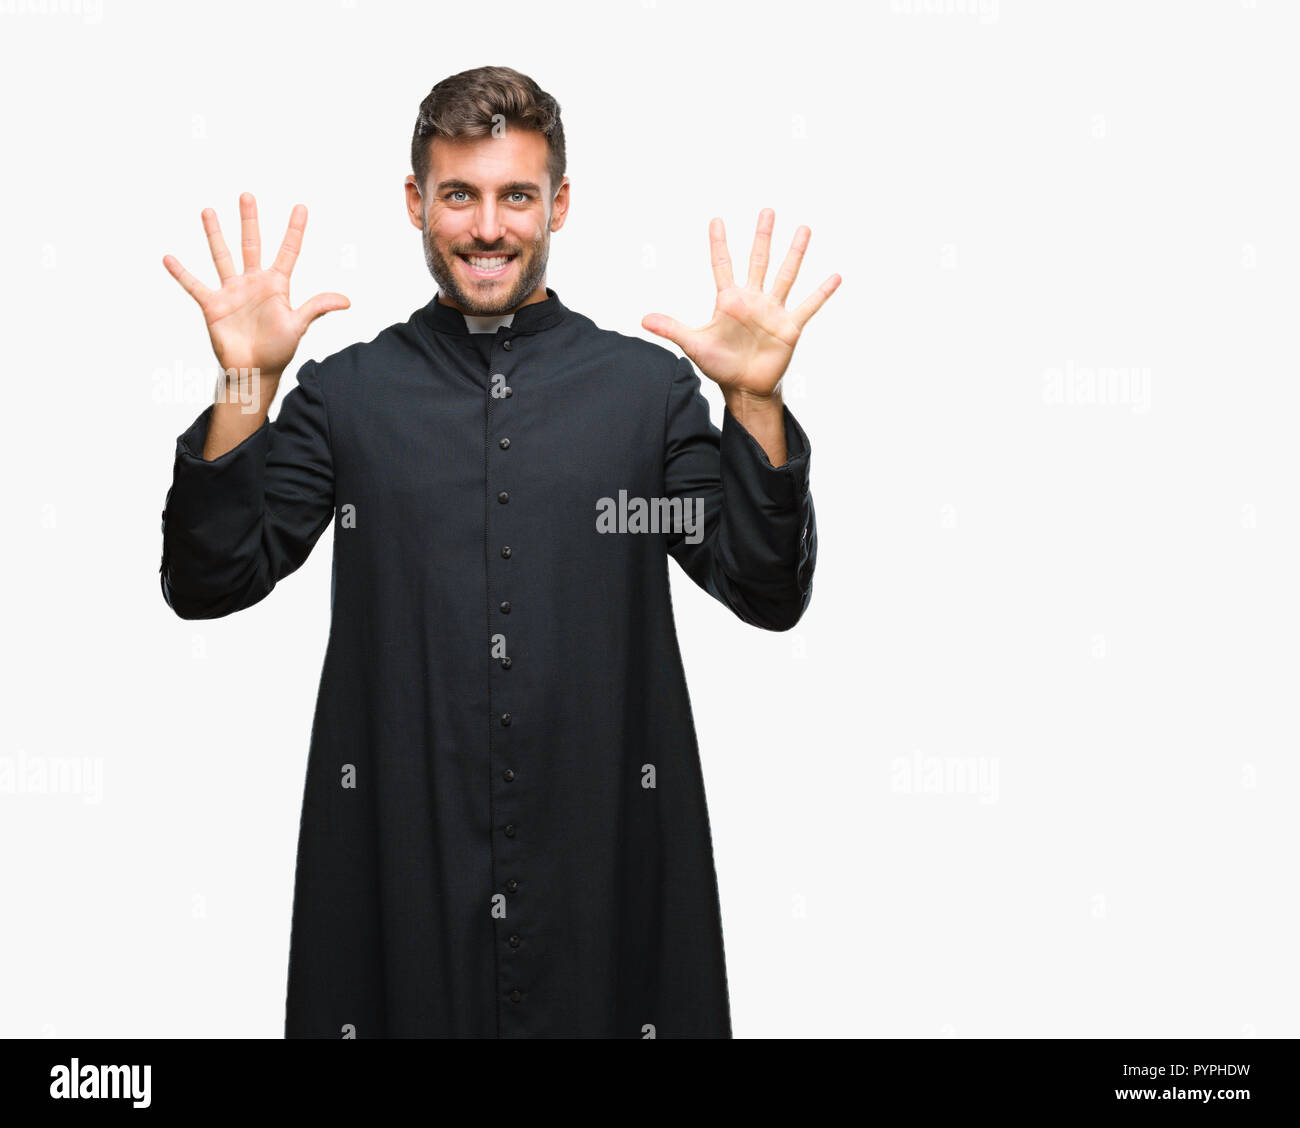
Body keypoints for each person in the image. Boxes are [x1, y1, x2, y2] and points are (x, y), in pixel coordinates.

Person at [158, 65, 838, 1038]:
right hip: (405, 899)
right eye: (460, 196)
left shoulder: (645, 397)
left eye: (516, 195)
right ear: (415, 203)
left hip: (603, 898)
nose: (488, 228)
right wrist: (242, 388)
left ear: (558, 202)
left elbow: (764, 587)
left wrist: (754, 405)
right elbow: (211, 580)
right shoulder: (348, 398)